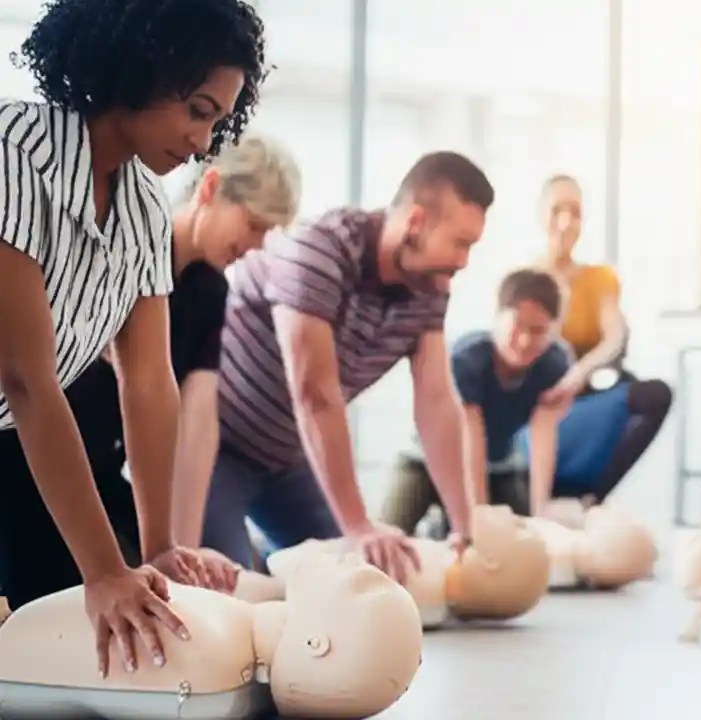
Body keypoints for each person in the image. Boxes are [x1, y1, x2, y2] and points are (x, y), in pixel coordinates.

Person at [0, 0, 266, 677]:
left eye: (218, 120)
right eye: (199, 110)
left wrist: (157, 548)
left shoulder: (146, 207)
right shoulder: (12, 153)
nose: (205, 141)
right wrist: (103, 571)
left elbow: (148, 383)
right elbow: (26, 379)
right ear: (143, 67)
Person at [16, 134, 300, 588]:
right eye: (253, 224)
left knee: (186, 582)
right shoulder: (126, 250)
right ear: (210, 189)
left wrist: (177, 548)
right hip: (35, 464)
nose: (256, 244)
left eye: (268, 233)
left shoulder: (211, 291)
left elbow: (199, 419)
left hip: (104, 474)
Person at [205, 151, 493, 585]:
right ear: (415, 221)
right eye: (461, 243)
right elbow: (315, 393)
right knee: (226, 594)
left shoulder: (429, 286)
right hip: (216, 448)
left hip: (288, 459)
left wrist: (464, 529)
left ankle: (279, 560)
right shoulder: (321, 250)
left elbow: (436, 402)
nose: (464, 261)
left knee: (361, 585)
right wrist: (358, 525)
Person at [381, 268, 573, 534]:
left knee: (522, 536)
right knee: (389, 534)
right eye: (518, 326)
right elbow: (469, 440)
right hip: (428, 461)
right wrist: (476, 522)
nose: (526, 340)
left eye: (538, 330)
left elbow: (543, 434)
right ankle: (445, 525)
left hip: (500, 466)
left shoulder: (555, 362)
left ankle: (445, 528)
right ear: (497, 318)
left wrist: (540, 513)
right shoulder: (468, 359)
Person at [527, 174, 672, 505]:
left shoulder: (598, 279)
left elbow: (614, 336)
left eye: (575, 212)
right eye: (557, 210)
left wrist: (579, 373)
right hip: (537, 408)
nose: (566, 222)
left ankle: (592, 499)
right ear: (540, 215)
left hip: (582, 398)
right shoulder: (524, 281)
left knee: (651, 394)